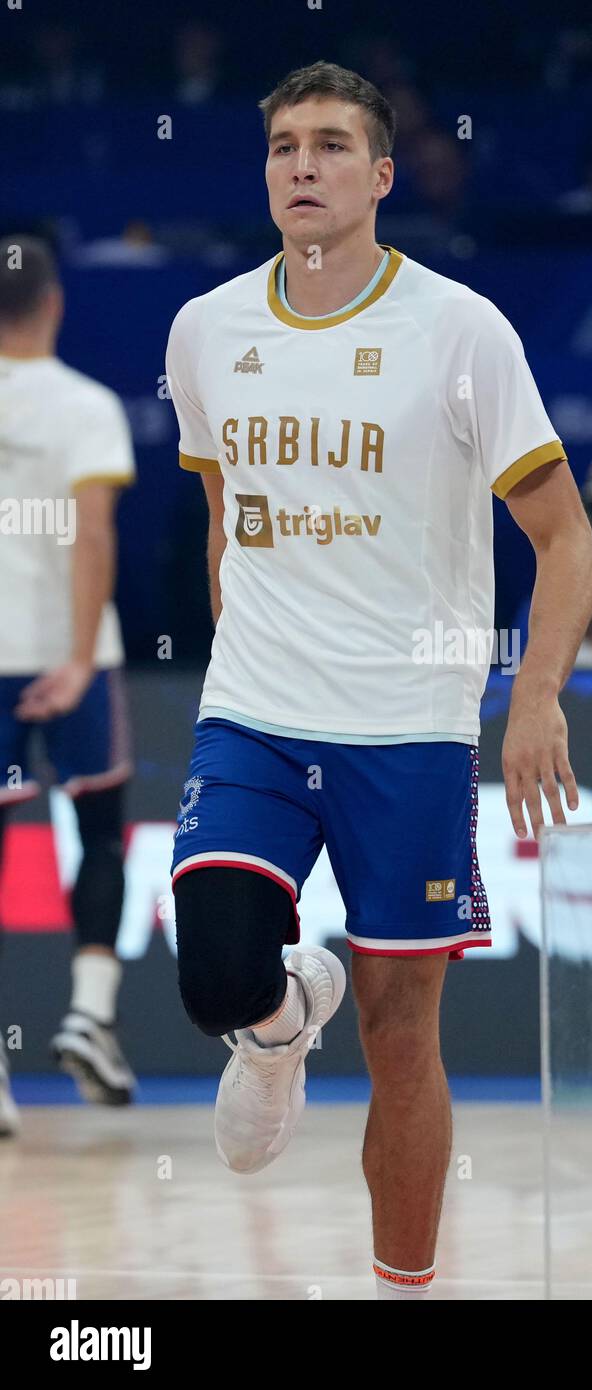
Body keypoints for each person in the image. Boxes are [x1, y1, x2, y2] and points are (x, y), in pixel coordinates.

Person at [165, 61, 592, 1299]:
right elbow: (225, 518)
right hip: (253, 713)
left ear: (382, 175)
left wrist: (534, 695)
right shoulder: (206, 329)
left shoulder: (460, 330)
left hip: (407, 726)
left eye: (331, 146)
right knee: (215, 974)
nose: (302, 166)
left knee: (400, 1034)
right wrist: (239, 650)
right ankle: (273, 1028)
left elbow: (566, 538)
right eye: (283, 146)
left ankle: (401, 1289)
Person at [0, 235, 137, 1135]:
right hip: (69, 651)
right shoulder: (85, 405)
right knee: (98, 835)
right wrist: (81, 657)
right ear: (54, 303)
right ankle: (89, 1013)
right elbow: (92, 533)